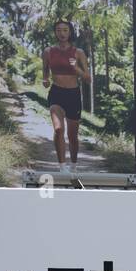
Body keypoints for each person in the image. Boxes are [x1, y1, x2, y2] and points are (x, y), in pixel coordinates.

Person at [41, 19, 92, 173]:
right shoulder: (48, 52)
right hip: (56, 93)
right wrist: (45, 80)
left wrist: (76, 68)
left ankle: (74, 165)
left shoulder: (79, 52)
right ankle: (62, 167)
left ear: (69, 32)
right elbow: (45, 72)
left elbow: (88, 79)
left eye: (65, 30)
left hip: (73, 95)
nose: (61, 33)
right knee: (58, 129)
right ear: (55, 32)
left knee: (72, 136)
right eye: (58, 30)